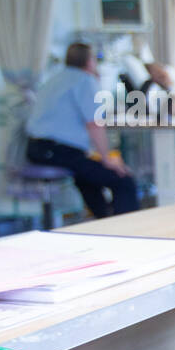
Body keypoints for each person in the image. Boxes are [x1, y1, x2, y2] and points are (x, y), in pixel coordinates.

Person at [25, 42, 139, 218]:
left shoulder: (55, 79)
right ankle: (127, 233)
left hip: (37, 149)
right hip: (58, 151)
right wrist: (106, 159)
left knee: (87, 179)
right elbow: (94, 124)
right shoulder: (85, 81)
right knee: (123, 180)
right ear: (89, 62)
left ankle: (105, 224)